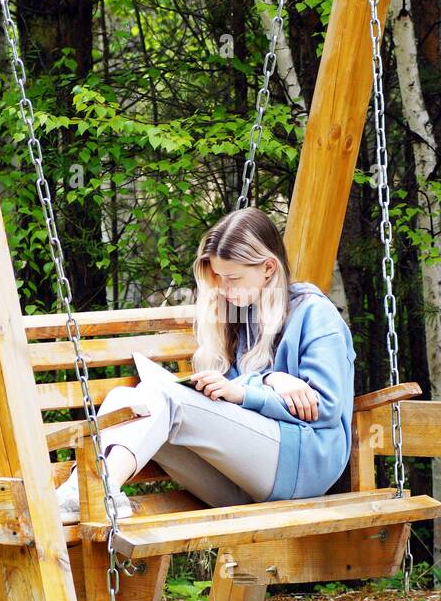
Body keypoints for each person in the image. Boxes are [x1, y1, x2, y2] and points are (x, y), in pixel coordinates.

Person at [54, 206, 356, 524]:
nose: (224, 289)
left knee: (165, 397)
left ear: (268, 268)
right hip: (240, 482)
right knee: (127, 400)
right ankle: (84, 491)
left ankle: (93, 494)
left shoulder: (315, 314)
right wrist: (267, 381)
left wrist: (254, 388)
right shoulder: (241, 314)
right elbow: (238, 401)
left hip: (304, 465)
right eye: (219, 278)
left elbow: (324, 408)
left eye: (233, 278)